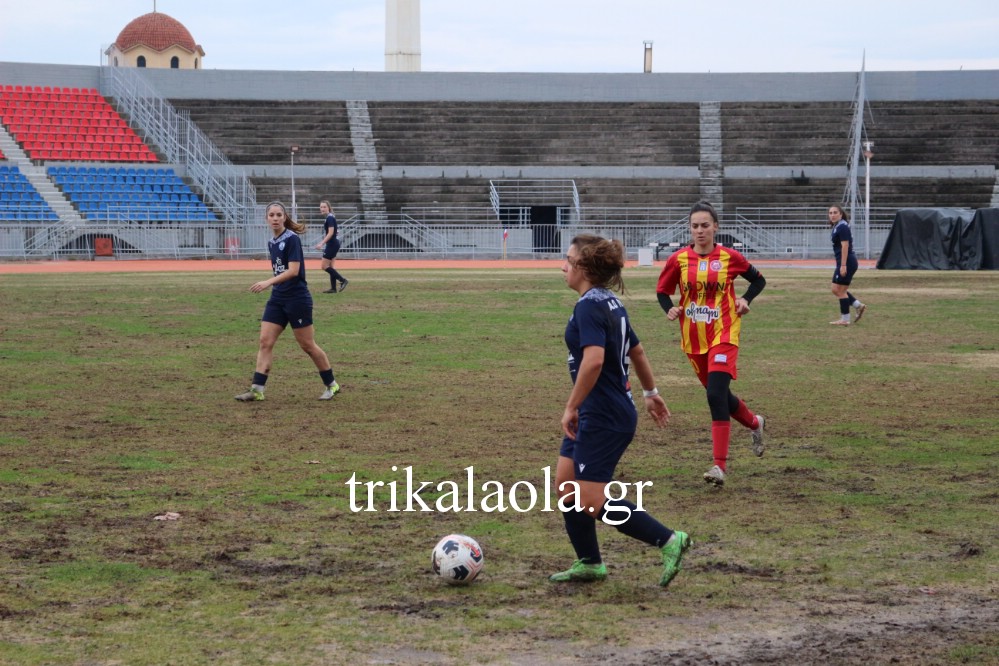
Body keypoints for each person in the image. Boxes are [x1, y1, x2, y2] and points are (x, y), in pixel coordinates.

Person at [550, 234, 690, 587]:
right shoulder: (609, 301)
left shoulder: (589, 306)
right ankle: (590, 562)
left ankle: (670, 540)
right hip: (598, 410)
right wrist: (650, 392)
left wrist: (571, 406)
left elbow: (594, 361)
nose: (562, 266)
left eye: (567, 260)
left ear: (583, 267)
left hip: (604, 415)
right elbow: (637, 352)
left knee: (591, 497)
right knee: (567, 487)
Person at [656, 201, 767, 487]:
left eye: (705, 225)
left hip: (724, 333)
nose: (700, 230)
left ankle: (719, 466)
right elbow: (662, 291)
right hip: (693, 338)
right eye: (695, 226)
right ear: (690, 229)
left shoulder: (730, 257)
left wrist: (745, 299)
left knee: (715, 394)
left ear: (715, 227)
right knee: (720, 395)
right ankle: (755, 423)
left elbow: (758, 280)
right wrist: (669, 308)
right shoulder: (678, 260)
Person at [235, 201, 341, 402]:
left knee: (307, 345)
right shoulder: (272, 242)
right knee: (265, 342)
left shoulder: (291, 239)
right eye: (271, 215)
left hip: (297, 298)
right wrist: (273, 285)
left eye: (278, 215)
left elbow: (293, 271)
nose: (275, 218)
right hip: (278, 298)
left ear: (284, 217)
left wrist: (268, 282)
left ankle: (332, 385)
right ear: (266, 218)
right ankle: (257, 389)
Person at [828, 204, 867, 325]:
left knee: (841, 291)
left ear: (841, 214)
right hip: (843, 262)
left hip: (847, 262)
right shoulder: (837, 226)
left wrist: (843, 265)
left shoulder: (842, 227)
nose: (833, 215)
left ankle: (845, 319)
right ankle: (858, 305)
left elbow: (845, 246)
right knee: (835, 289)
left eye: (835, 212)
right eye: (830, 213)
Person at [315, 200, 348, 294]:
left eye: (324, 207)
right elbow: (335, 231)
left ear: (328, 207)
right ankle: (333, 288)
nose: (322, 209)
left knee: (324, 266)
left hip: (332, 244)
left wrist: (321, 243)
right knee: (331, 267)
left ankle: (343, 280)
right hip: (333, 243)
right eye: (321, 207)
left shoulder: (329, 218)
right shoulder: (330, 217)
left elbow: (330, 233)